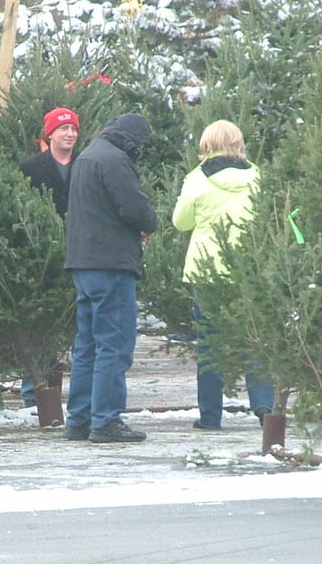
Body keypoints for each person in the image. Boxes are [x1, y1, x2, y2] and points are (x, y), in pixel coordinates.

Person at [171, 119, 274, 430]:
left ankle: (210, 417)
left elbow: (181, 222)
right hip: (248, 269)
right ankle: (264, 406)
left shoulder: (197, 179)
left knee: (210, 345)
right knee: (256, 339)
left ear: (206, 145)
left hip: (207, 271)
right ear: (238, 143)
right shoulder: (258, 177)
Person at [63, 113, 158, 443]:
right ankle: (105, 421)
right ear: (131, 141)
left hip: (82, 263)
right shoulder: (115, 160)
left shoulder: (88, 155)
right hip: (111, 263)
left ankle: (79, 419)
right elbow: (134, 208)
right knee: (113, 346)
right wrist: (150, 224)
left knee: (87, 345)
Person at [17, 107, 80, 407]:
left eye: (74, 130)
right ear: (50, 133)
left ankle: (76, 388)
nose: (69, 135)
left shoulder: (86, 165)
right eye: (63, 129)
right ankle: (34, 389)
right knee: (40, 322)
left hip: (80, 250)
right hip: (41, 255)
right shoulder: (30, 167)